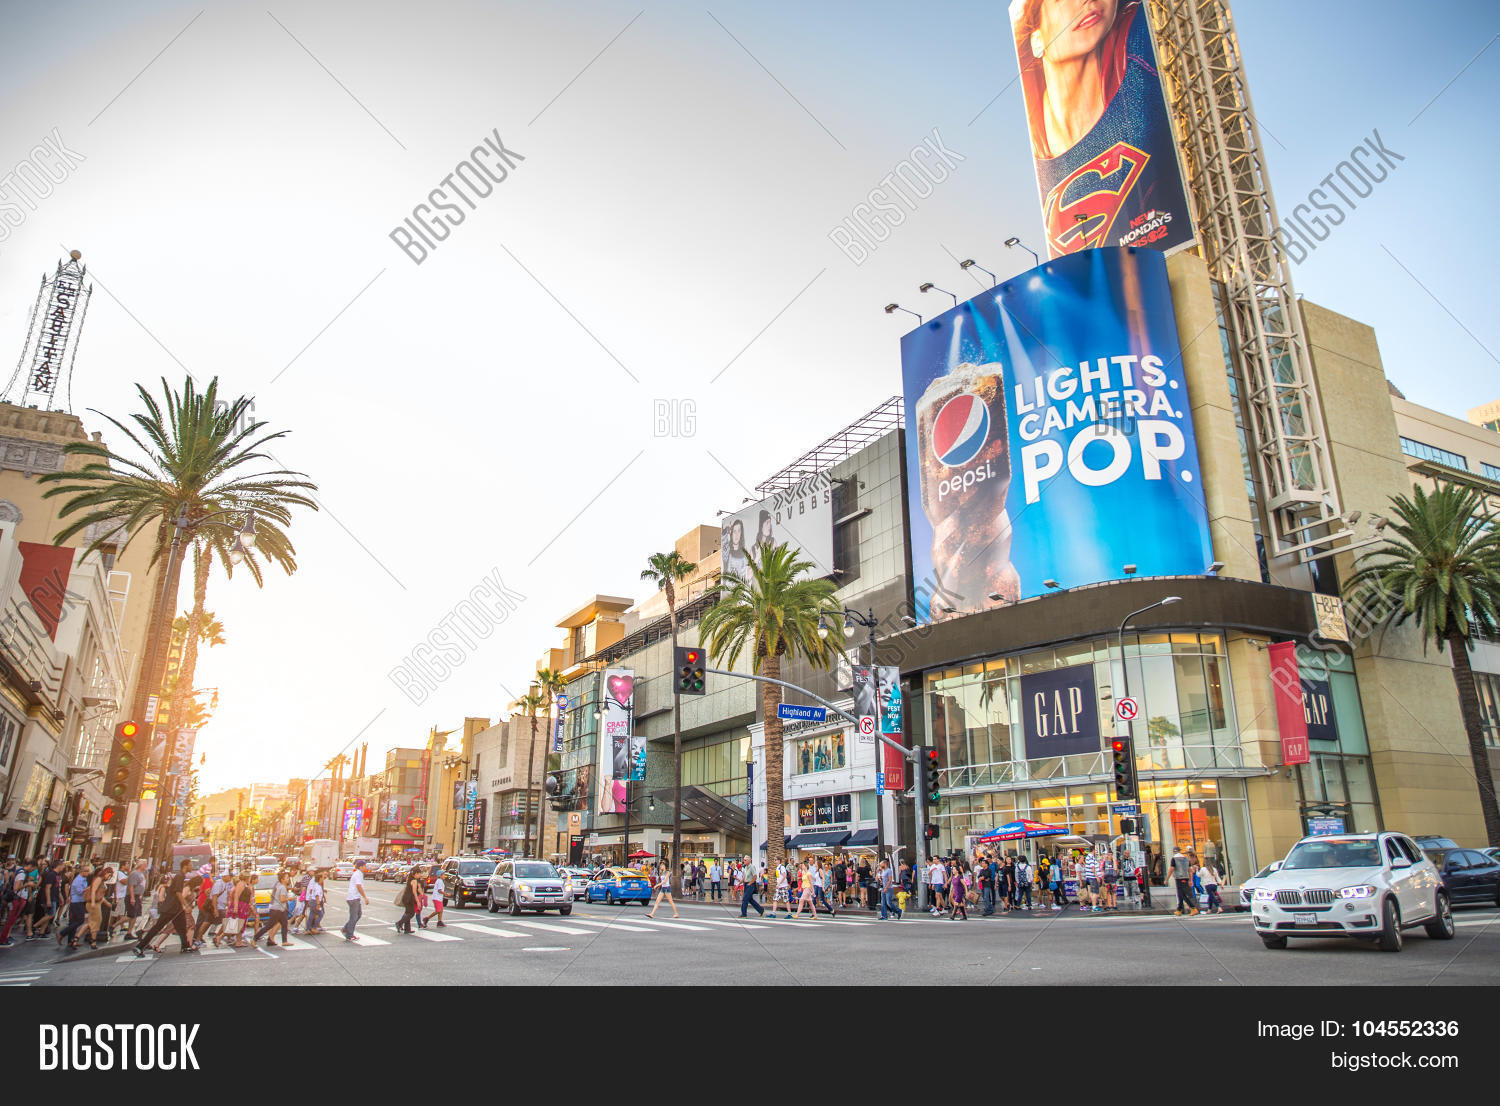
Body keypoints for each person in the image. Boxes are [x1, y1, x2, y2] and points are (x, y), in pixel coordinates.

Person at [133, 860, 195, 957]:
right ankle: (140, 946)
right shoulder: (180, 876)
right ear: (185, 866)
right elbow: (178, 892)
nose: (192, 867)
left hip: (175, 908)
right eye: (191, 865)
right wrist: (185, 905)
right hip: (171, 908)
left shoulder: (180, 876)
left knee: (182, 928)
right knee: (158, 927)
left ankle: (185, 946)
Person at [58, 862, 92, 948]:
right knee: (80, 920)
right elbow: (80, 891)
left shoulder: (83, 879)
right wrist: (88, 888)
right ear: (81, 871)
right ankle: (62, 933)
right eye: (86, 871)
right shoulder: (78, 880)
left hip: (80, 901)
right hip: (76, 902)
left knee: (74, 921)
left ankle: (71, 940)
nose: (88, 873)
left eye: (89, 871)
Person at [255, 870, 293, 946]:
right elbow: (282, 900)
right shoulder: (282, 887)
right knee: (269, 925)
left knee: (284, 924)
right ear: (282, 879)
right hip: (277, 909)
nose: (288, 879)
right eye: (287, 878)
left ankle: (284, 941)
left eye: (288, 878)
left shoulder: (280, 886)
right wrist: (289, 899)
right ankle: (255, 938)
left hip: (280, 909)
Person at [342, 858, 369, 941]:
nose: (365, 867)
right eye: (364, 866)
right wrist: (365, 897)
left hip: (355, 897)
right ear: (360, 867)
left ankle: (346, 928)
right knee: (354, 917)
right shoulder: (358, 874)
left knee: (358, 914)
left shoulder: (359, 874)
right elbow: (359, 886)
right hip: (353, 898)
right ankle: (349, 934)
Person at [1169, 846, 1198, 916]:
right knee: (1180, 894)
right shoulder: (1186, 859)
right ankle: (1179, 909)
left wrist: (1167, 879)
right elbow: (1190, 870)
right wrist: (1190, 880)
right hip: (1186, 877)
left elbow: (1171, 869)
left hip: (1179, 878)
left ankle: (1193, 907)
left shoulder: (1174, 859)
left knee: (1182, 894)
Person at [124, 858, 147, 940]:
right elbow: (131, 886)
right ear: (140, 865)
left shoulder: (141, 874)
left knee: (135, 915)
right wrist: (132, 898)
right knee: (132, 914)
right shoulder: (135, 874)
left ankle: (130, 931)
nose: (146, 866)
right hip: (133, 896)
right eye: (145, 864)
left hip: (137, 896)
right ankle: (128, 932)